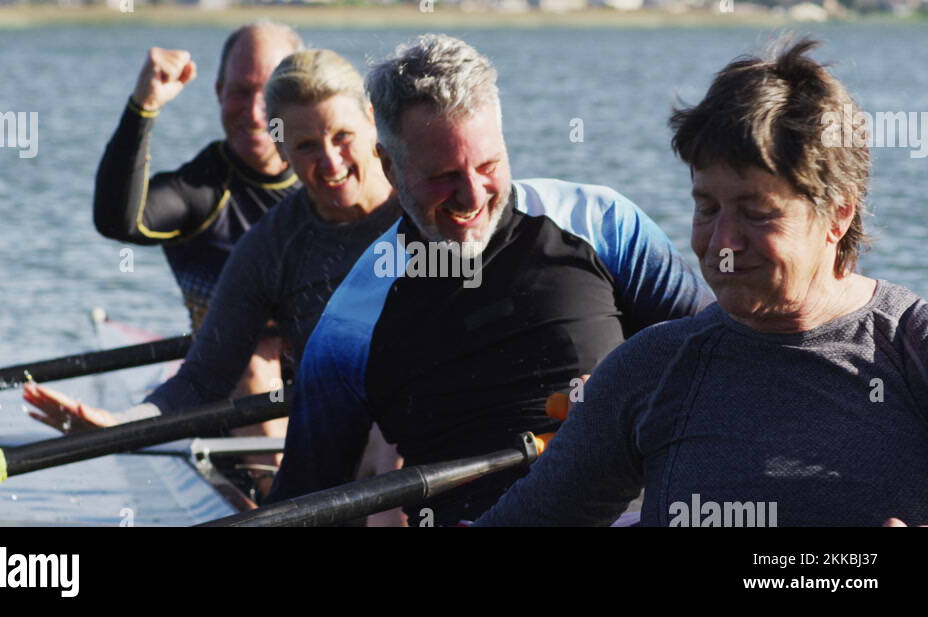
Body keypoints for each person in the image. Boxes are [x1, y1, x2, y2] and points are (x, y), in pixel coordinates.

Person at [263, 34, 714, 526]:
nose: (472, 196)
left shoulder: (602, 223)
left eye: (488, 165)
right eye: (444, 177)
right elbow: (300, 503)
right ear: (389, 166)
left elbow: (720, 360)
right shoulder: (350, 325)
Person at [475, 38, 928, 527]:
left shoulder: (911, 348)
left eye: (756, 213)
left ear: (838, 214)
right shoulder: (649, 368)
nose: (723, 243)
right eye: (706, 208)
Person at [26, 49, 406, 522]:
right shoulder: (272, 246)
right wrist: (120, 425)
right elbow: (203, 379)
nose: (330, 162)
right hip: (332, 452)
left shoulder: (425, 205)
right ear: (280, 148)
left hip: (430, 433)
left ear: (372, 122)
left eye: (343, 136)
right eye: (306, 145)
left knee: (390, 441)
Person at [86, 21, 303, 474]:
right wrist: (143, 106)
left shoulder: (332, 180)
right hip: (229, 399)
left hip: (326, 392)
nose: (255, 112)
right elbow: (119, 220)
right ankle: (288, 503)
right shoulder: (201, 190)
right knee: (253, 361)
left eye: (269, 93)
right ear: (219, 91)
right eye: (241, 92)